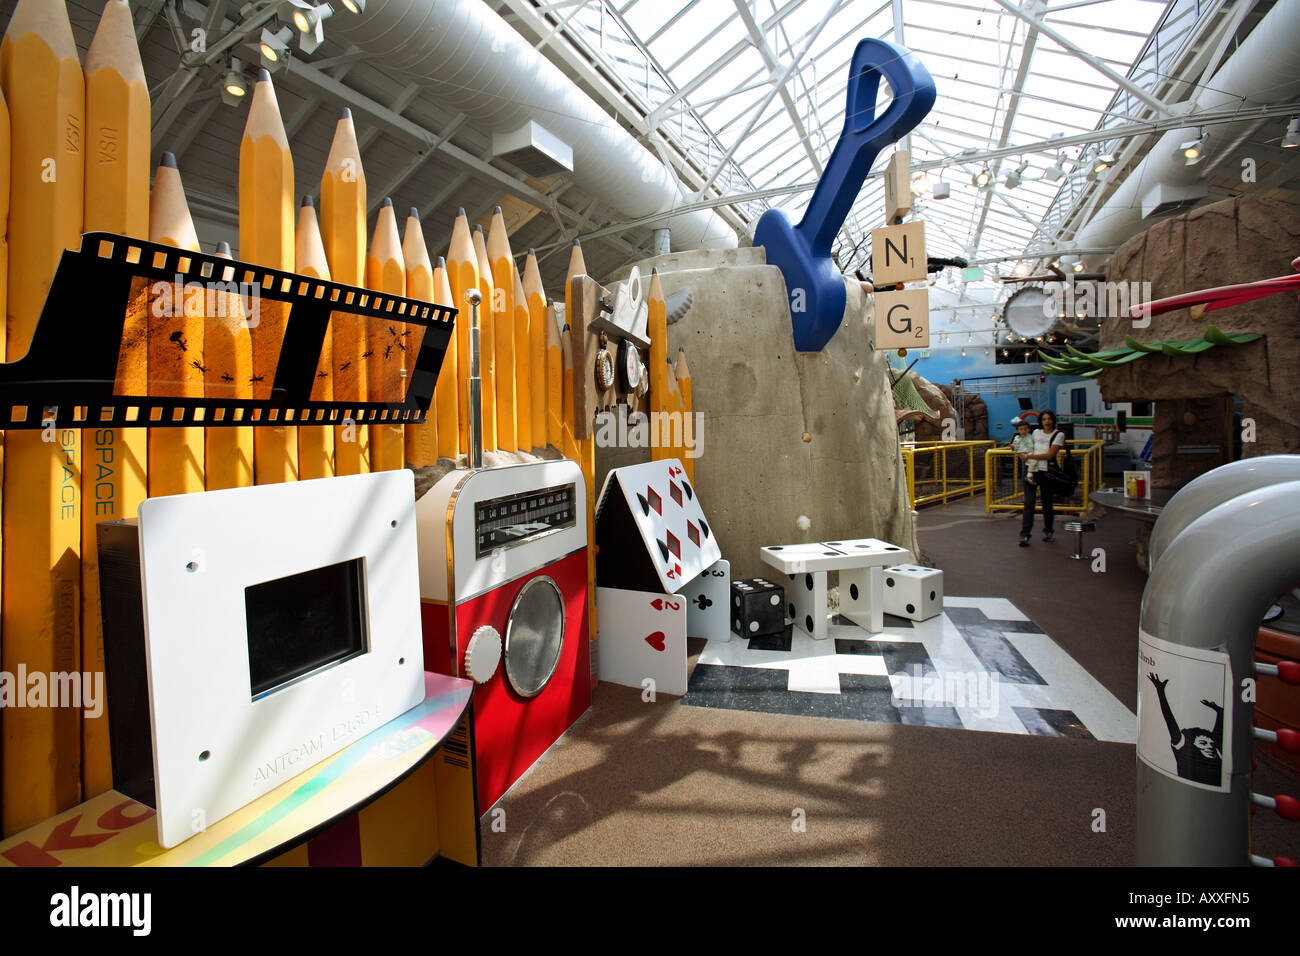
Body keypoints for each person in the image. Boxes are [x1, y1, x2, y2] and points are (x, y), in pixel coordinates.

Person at [1020, 410, 1065, 546]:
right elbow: (1029, 446)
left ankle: (1049, 531)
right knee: (1029, 503)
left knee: (1047, 503)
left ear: (1053, 420)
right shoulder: (1035, 433)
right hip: (1032, 471)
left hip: (1046, 472)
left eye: (1049, 419)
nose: (1047, 421)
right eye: (1044, 419)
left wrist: (1029, 456)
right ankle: (1025, 534)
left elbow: (1049, 455)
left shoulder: (1058, 435)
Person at [1010, 417, 1035, 486]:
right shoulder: (1017, 438)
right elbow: (1014, 446)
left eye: (1025, 429)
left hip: (1030, 453)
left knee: (1033, 462)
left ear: (1028, 429)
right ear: (1017, 430)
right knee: (1029, 464)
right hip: (1022, 453)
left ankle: (1030, 475)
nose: (1023, 431)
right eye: (1021, 429)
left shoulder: (1031, 436)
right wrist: (1012, 447)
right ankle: (1029, 476)